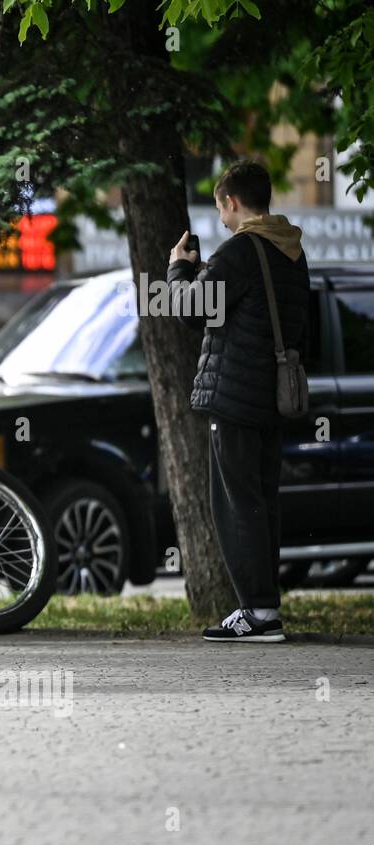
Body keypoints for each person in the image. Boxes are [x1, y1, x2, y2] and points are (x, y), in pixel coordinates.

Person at [168, 159, 309, 643]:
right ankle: (265, 607)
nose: (221, 220)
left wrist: (178, 268)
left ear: (231, 202)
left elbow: (189, 310)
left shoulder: (240, 251)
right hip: (272, 397)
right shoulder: (291, 250)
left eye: (221, 209)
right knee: (261, 501)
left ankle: (259, 613)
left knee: (234, 503)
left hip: (234, 396)